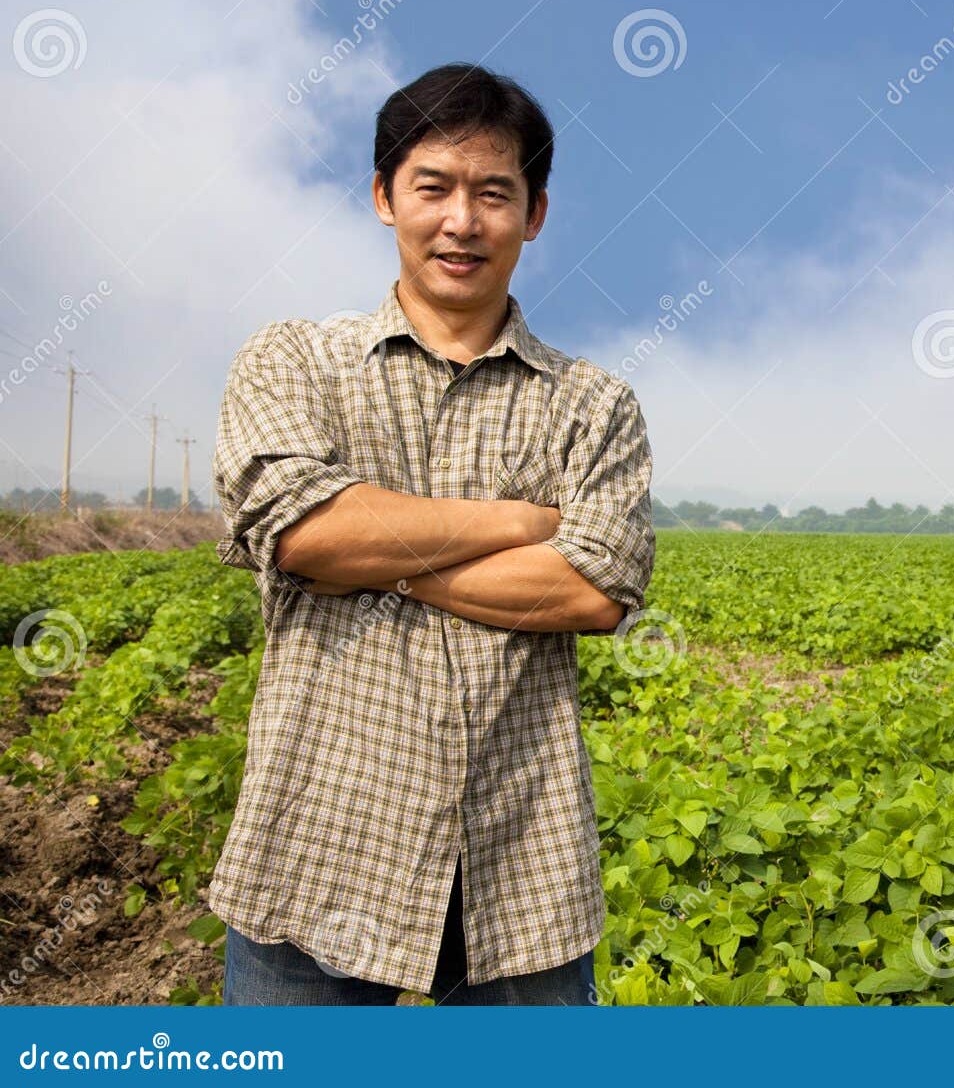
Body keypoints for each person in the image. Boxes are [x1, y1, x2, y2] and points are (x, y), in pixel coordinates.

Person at [207, 62, 655, 1005]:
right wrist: (518, 525)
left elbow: (591, 591)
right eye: (434, 188)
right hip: (318, 855)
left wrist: (381, 558)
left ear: (533, 213)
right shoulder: (296, 359)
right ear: (384, 198)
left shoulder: (594, 406)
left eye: (495, 192)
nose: (463, 220)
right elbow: (305, 534)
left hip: (519, 871)